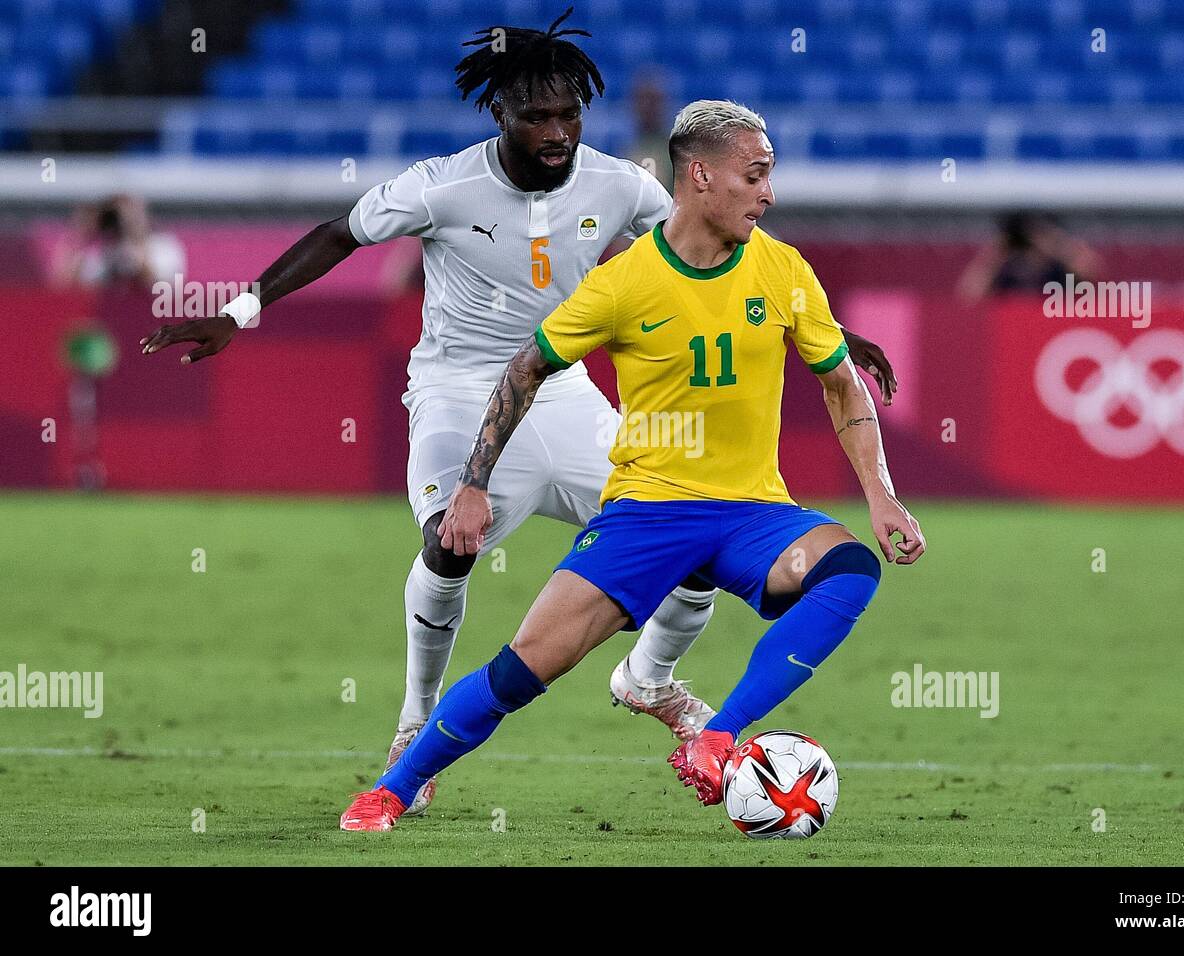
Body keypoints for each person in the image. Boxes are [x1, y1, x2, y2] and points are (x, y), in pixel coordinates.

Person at [139, 10, 900, 819]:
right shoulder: (443, 184)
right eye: (537, 114)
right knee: (450, 542)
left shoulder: (619, 184)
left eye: (570, 112)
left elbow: (725, 262)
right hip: (460, 386)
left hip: (567, 393)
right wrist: (239, 311)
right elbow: (338, 234)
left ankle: (647, 679)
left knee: (688, 517)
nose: (557, 129)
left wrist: (833, 335)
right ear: (499, 113)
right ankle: (413, 729)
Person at [341, 99, 925, 832]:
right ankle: (392, 789)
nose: (769, 194)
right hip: (647, 514)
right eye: (756, 176)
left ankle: (716, 736)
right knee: (521, 671)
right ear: (702, 176)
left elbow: (842, 384)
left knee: (850, 570)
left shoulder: (784, 269)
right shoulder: (624, 283)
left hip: (754, 514)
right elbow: (524, 370)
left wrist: (882, 495)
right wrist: (472, 484)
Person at [957, 211, 1100, 302]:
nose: (1033, 247)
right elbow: (968, 296)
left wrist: (1057, 243)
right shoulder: (1006, 273)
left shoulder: (1059, 272)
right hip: (1012, 332)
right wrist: (998, 250)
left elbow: (1092, 274)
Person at [52, 194, 186, 292]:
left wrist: (135, 237)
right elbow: (65, 290)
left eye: (131, 214)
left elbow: (164, 290)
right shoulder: (101, 250)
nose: (121, 222)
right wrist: (82, 237)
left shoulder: (164, 245)